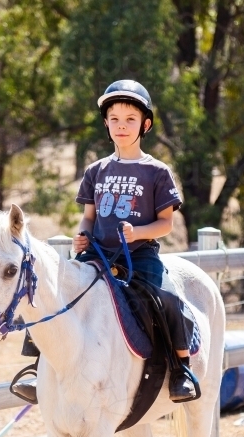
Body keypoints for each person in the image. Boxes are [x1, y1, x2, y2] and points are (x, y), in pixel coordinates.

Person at [11, 80, 200, 405]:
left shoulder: (157, 172)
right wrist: (82, 235)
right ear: (106, 124)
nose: (122, 126)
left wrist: (138, 233)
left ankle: (180, 368)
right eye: (115, 119)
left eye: (130, 119)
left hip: (139, 257)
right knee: (52, 289)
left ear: (146, 124)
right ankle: (37, 365)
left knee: (165, 299)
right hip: (98, 254)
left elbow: (166, 223)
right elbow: (89, 215)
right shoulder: (96, 170)